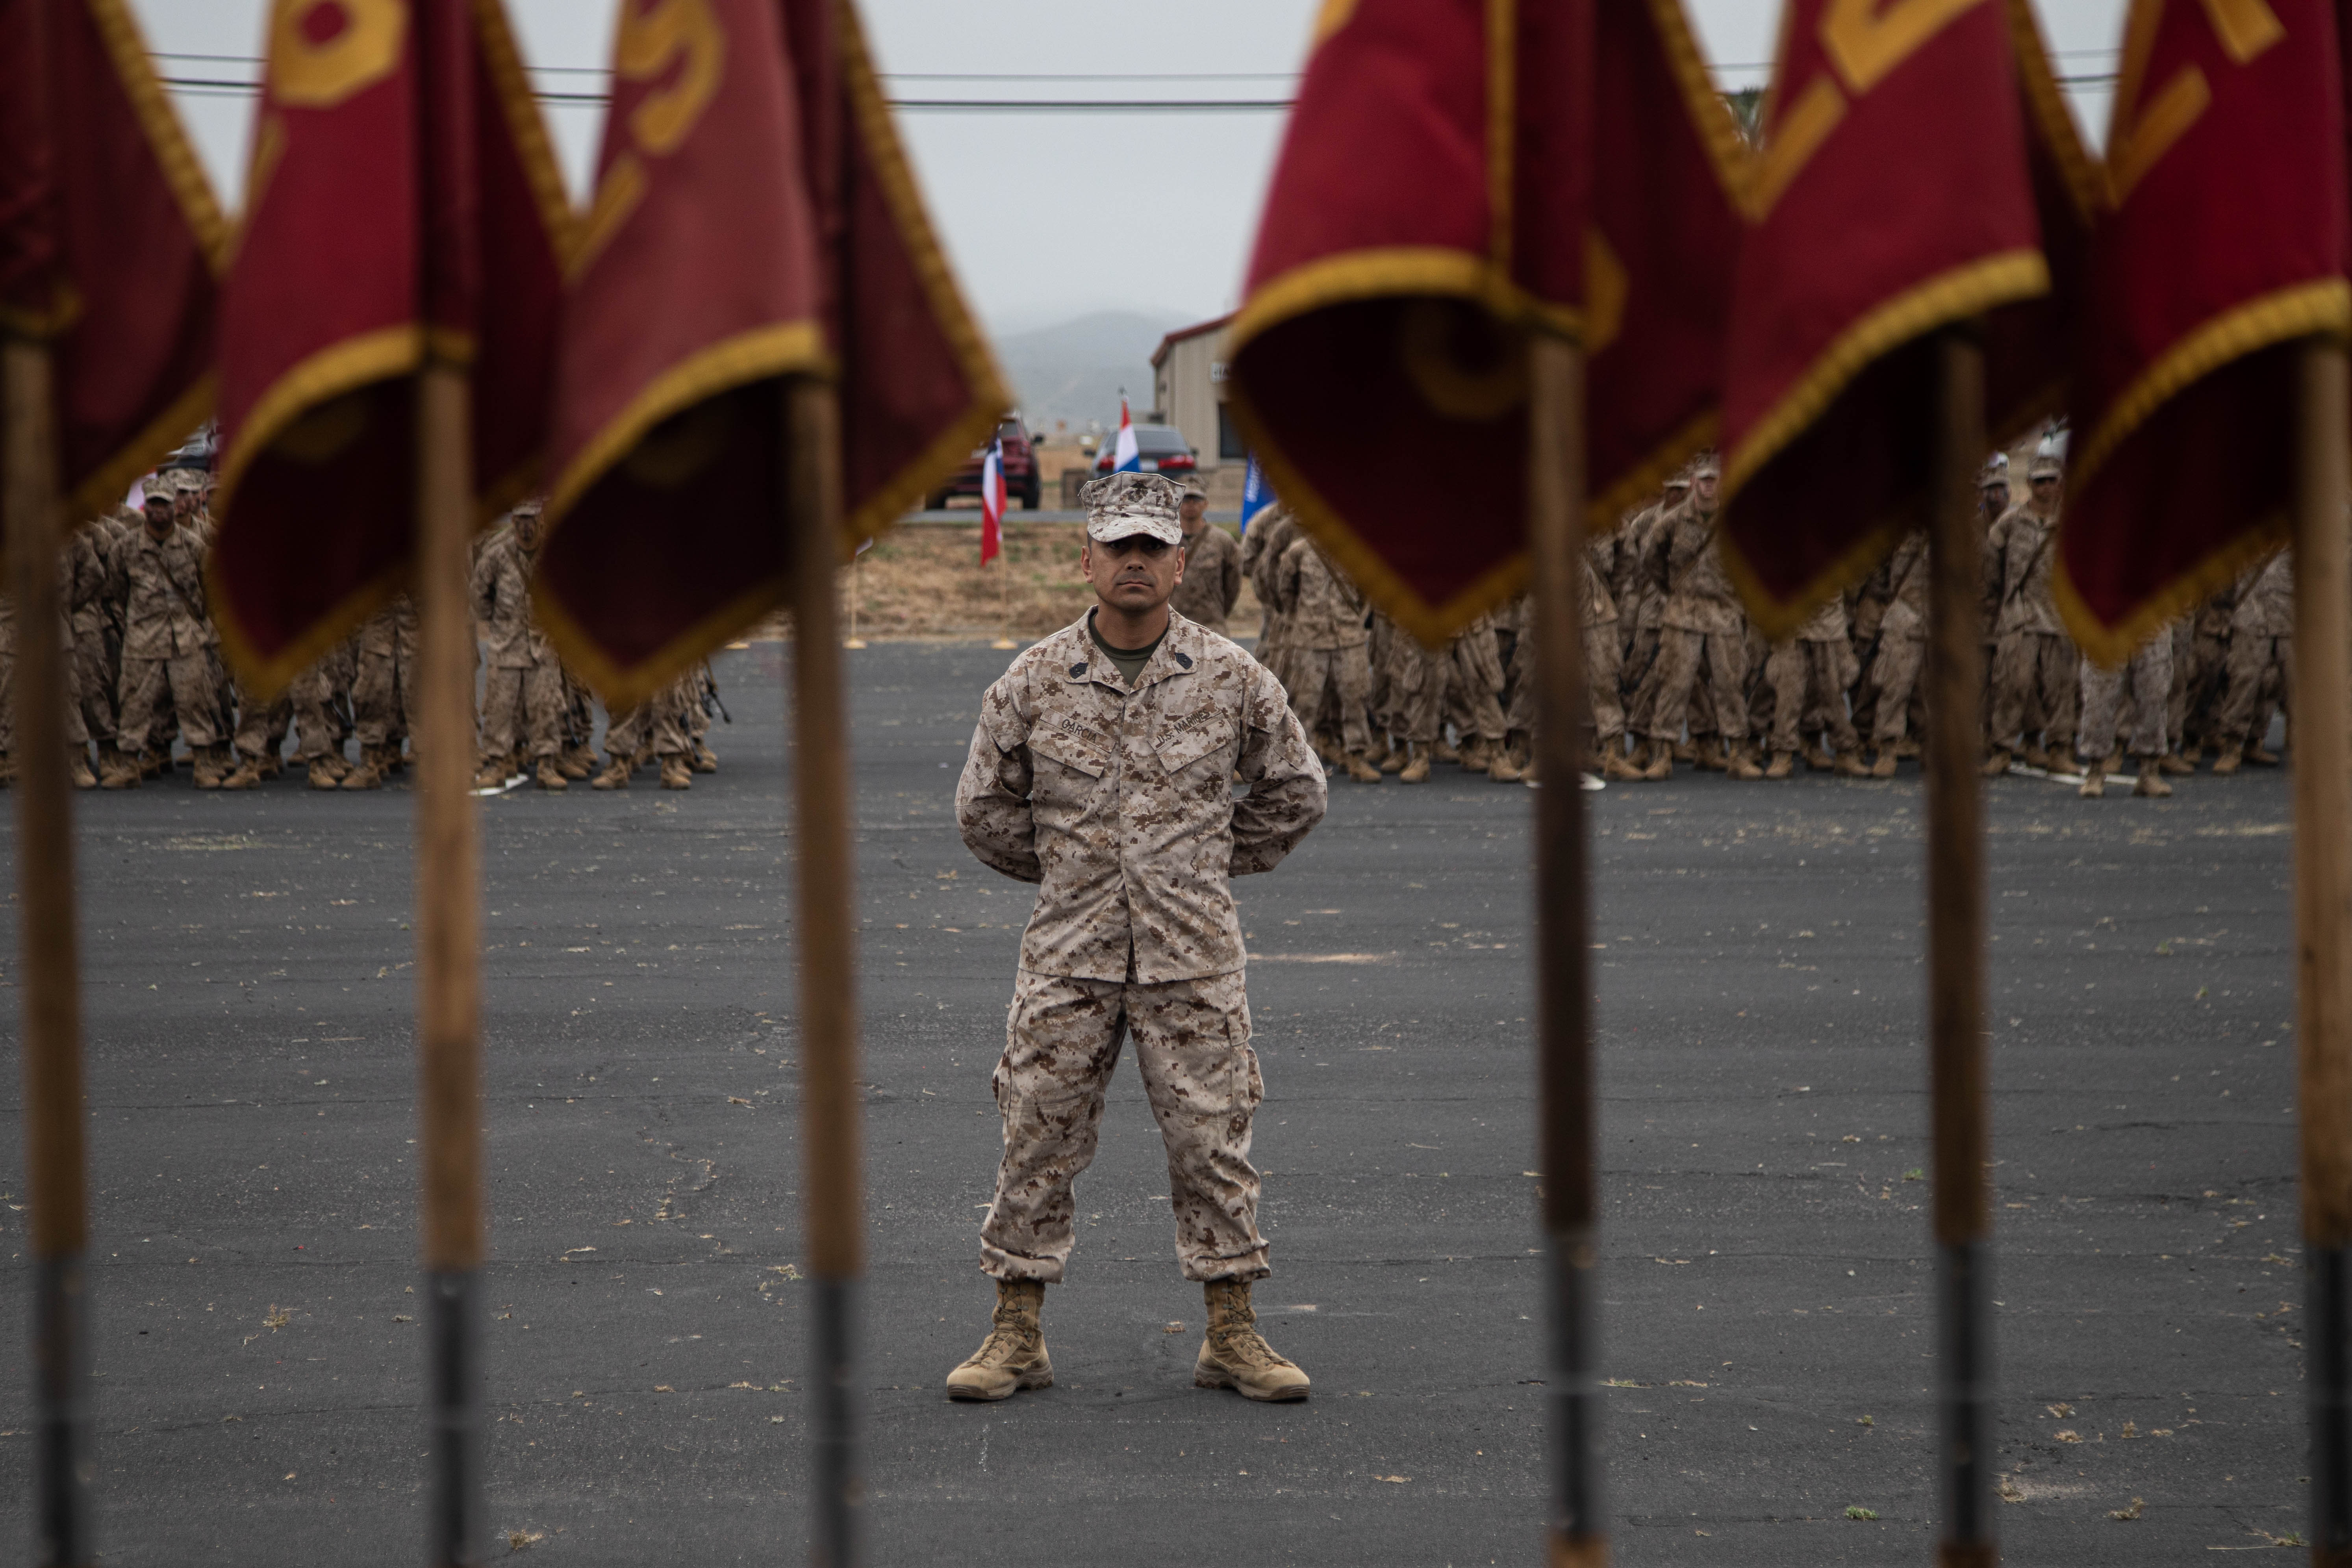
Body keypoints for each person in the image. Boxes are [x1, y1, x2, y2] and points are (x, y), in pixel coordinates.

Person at [949, 470, 1327, 1404]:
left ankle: (1231, 1332)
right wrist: (1074, 874)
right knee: (1035, 1137)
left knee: (1212, 1143)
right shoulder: (1033, 679)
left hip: (1191, 956)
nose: (1134, 560)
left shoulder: (1232, 676)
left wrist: (1203, 864)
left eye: (1152, 547)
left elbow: (1296, 790)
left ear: (1180, 563)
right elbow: (982, 809)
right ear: (1085, 558)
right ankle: (1015, 1332)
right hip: (1067, 956)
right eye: (1117, 545)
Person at [109, 489, 229, 788]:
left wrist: (197, 619)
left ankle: (204, 764)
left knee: (195, 700)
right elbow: (118, 588)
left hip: (185, 636)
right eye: (154, 504)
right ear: (145, 508)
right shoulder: (127, 547)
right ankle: (128, 764)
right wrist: (139, 617)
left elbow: (209, 587)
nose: (160, 510)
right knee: (135, 701)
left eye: (165, 504)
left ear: (174, 509)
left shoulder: (193, 545)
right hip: (143, 637)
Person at [1983, 454, 2077, 775]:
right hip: (2019, 616)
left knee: (2060, 688)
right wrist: (2006, 603)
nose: (2045, 487)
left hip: (2058, 618)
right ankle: (2002, 750)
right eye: (2039, 481)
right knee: (2011, 684)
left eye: (2051, 481)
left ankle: (2060, 749)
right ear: (2028, 484)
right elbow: (1991, 569)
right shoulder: (2010, 523)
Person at [1166, 475, 1242, 635]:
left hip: (1212, 628)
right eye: (1186, 499)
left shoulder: (1223, 541)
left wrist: (1218, 614)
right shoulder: (1165, 540)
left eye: (1197, 499)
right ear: (1177, 503)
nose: (1191, 504)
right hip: (1172, 628)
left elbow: (1233, 586)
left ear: (1206, 503)